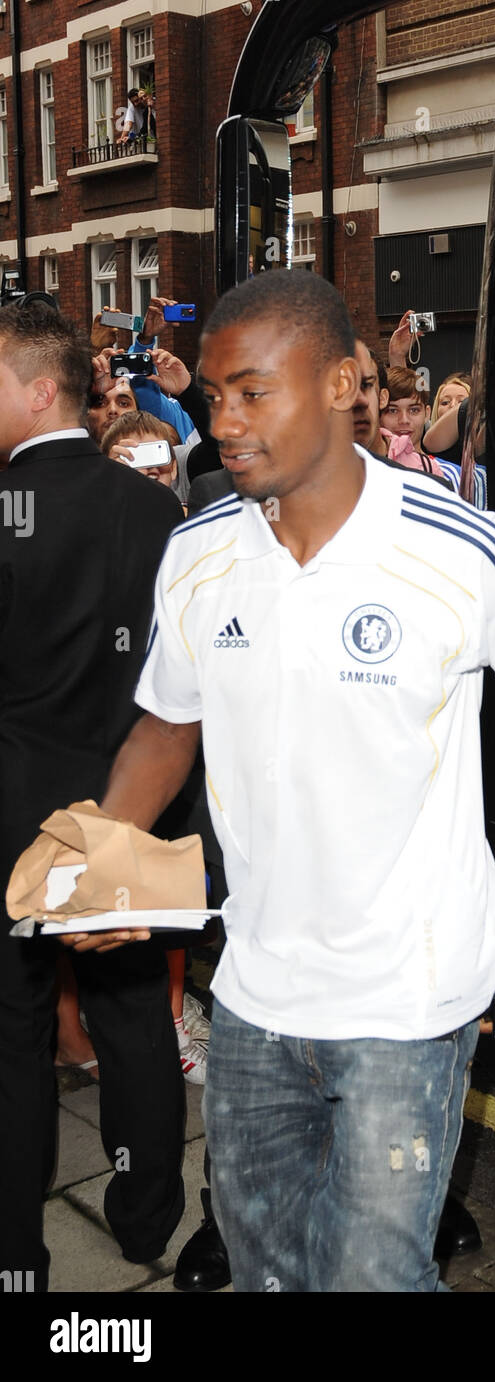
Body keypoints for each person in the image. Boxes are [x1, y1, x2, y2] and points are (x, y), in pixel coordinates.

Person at [87, 269, 495, 1292]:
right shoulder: (194, 551)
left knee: (372, 1279)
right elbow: (163, 727)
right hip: (254, 996)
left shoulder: (457, 546)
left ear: (345, 383)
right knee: (267, 1270)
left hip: (407, 1003)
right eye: (214, 395)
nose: (222, 422)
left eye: (251, 391)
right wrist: (104, 856)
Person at [0, 299, 185, 1291]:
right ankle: (146, 1216)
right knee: (132, 1016)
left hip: (16, 813)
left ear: (38, 389)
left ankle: (15, 1252)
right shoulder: (156, 510)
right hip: (130, 801)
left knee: (14, 1031)